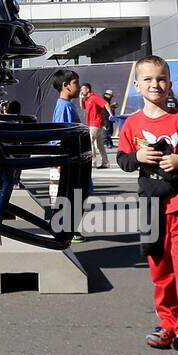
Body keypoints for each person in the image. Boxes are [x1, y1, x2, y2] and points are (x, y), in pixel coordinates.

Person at [117, 55, 178, 355]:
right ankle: (167, 322)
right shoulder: (132, 123)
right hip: (151, 208)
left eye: (161, 79)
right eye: (148, 79)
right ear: (137, 85)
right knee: (159, 268)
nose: (155, 84)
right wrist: (137, 158)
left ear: (170, 83)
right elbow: (123, 160)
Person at [51, 69, 88, 243]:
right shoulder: (64, 107)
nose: (79, 87)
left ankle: (69, 229)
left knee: (75, 193)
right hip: (71, 161)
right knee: (73, 194)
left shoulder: (66, 105)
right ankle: (67, 230)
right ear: (66, 86)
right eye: (76, 83)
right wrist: (60, 158)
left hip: (73, 159)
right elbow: (60, 133)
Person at [79, 82, 110, 169]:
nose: (81, 91)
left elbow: (105, 104)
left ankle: (93, 162)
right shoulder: (87, 99)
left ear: (88, 89)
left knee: (90, 141)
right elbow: (82, 107)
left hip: (95, 123)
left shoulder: (94, 97)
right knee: (99, 145)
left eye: (83, 89)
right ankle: (105, 163)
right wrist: (80, 99)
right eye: (81, 89)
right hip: (92, 124)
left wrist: (111, 114)